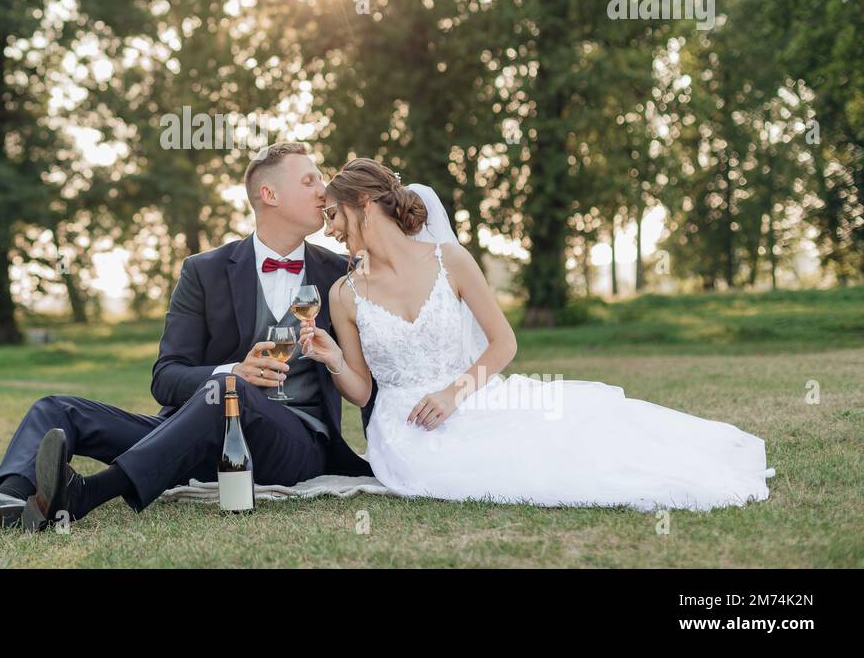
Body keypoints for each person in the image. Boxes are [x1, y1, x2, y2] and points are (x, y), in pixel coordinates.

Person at [0, 142, 374, 535]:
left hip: (295, 443)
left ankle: (88, 493)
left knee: (224, 392)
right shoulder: (203, 271)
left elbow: (380, 366)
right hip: (193, 437)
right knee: (54, 408)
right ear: (268, 193)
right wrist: (234, 370)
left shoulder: (343, 274)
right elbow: (166, 378)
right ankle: (1, 502)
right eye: (310, 179)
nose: (324, 189)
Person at [299, 157, 775, 511]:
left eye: (334, 216)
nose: (331, 231)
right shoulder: (344, 294)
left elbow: (504, 342)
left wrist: (453, 393)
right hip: (406, 433)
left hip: (469, 399)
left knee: (565, 438)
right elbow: (362, 394)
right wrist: (333, 358)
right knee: (492, 471)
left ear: (364, 204)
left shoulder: (450, 261)